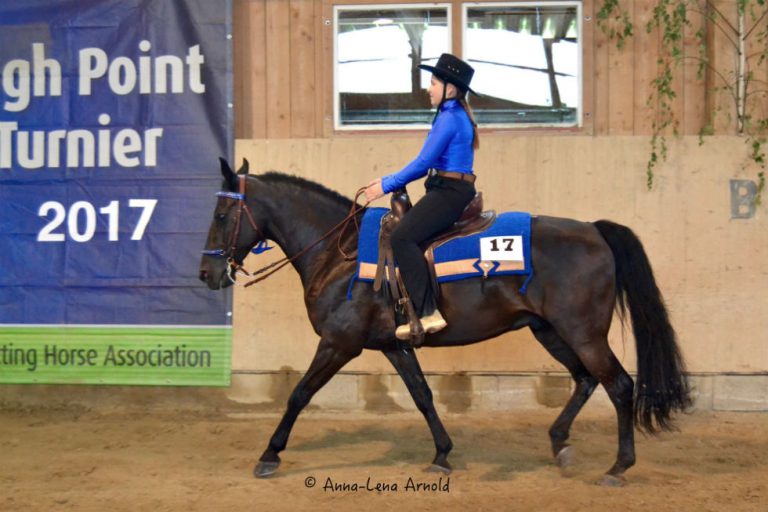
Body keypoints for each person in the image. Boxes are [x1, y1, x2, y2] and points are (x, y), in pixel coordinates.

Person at [364, 53, 480, 340]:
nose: (428, 89)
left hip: (449, 193)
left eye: (433, 83)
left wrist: (387, 185)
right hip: (449, 189)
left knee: (402, 237)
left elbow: (422, 163)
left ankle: (428, 312)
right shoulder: (452, 114)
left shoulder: (450, 118)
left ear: (449, 89)